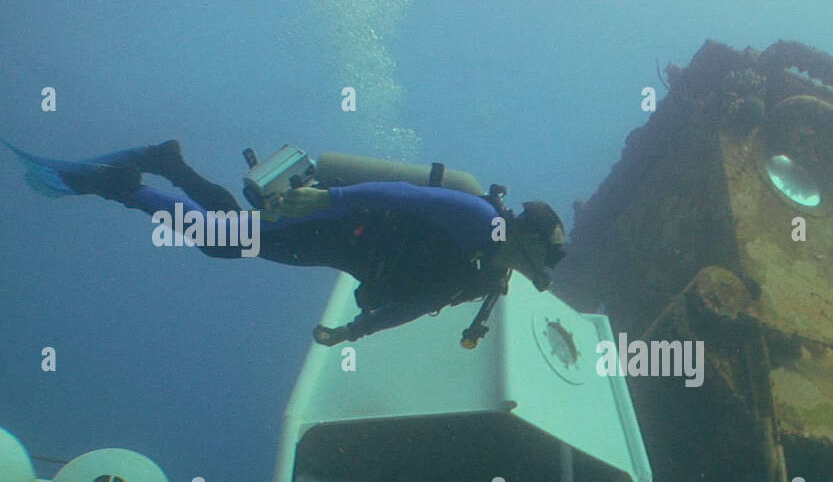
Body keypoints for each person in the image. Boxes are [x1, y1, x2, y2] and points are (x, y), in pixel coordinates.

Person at [5, 140, 566, 347]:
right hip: (334, 223)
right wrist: (327, 201)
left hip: (331, 244)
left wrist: (353, 331)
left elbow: (418, 306)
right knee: (223, 239)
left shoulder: (486, 276)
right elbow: (400, 195)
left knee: (227, 237)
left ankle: (160, 166)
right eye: (537, 259)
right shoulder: (476, 217)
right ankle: (128, 185)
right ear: (525, 237)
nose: (531, 269)